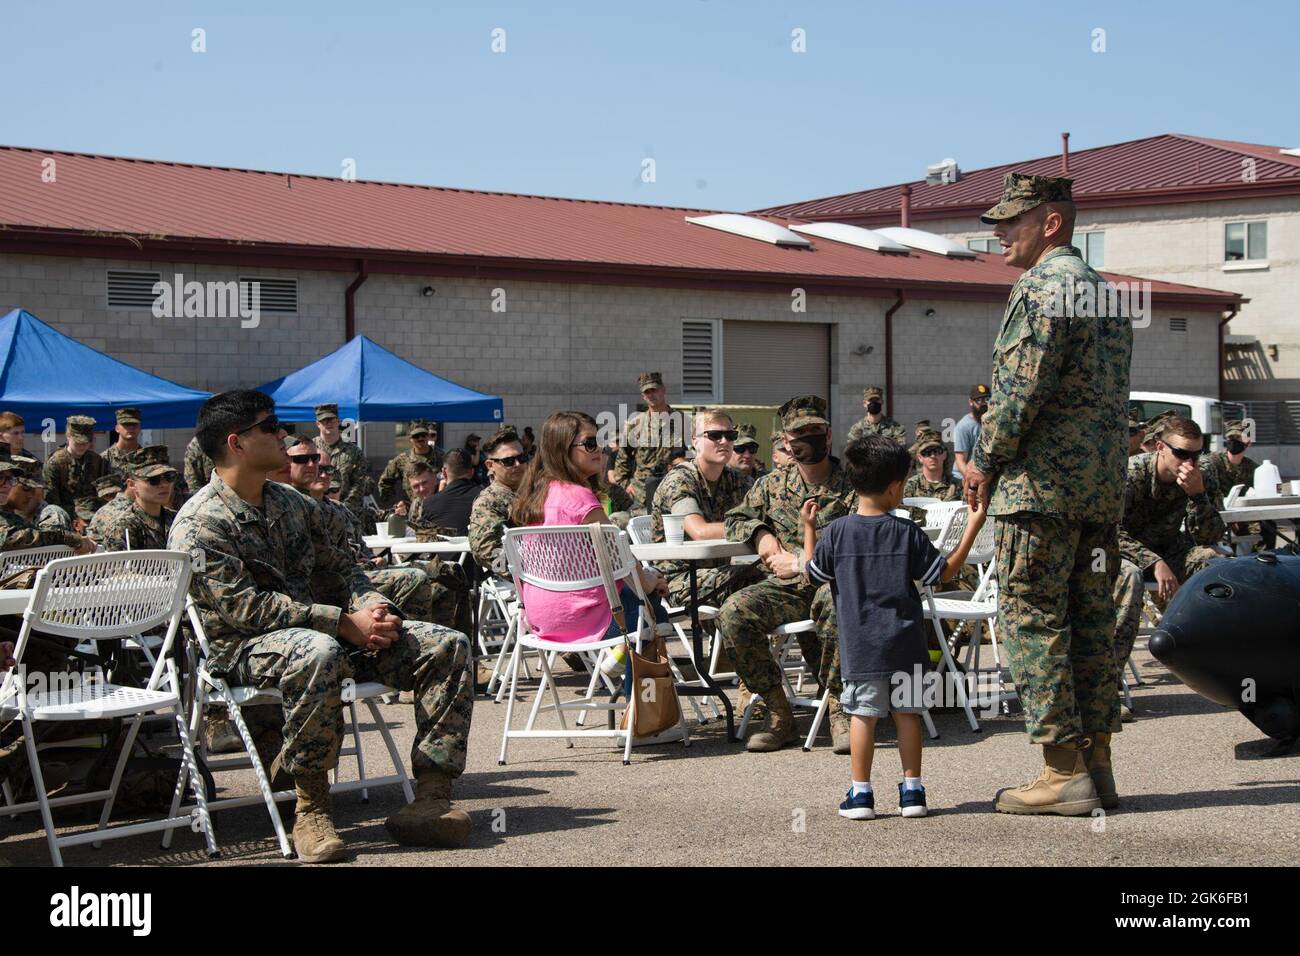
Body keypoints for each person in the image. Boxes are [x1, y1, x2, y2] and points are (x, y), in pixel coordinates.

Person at [169, 390, 474, 861]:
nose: (282, 436)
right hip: (245, 650)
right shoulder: (199, 523)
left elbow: (343, 566)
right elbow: (245, 609)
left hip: (325, 634)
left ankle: (432, 798)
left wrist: (369, 604)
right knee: (316, 651)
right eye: (270, 428)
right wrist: (341, 623)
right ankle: (311, 809)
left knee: (446, 645)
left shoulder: (291, 504)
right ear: (237, 443)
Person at [963, 171, 1131, 816]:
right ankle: (1098, 765)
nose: (1000, 232)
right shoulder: (1104, 291)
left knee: (1033, 620)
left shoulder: (1042, 287)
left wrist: (984, 459)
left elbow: (1021, 388)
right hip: (1096, 489)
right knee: (1091, 623)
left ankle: (1062, 772)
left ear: (1051, 222)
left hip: (1039, 490)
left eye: (1012, 220)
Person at [807, 435, 986, 820]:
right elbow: (945, 573)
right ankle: (913, 792)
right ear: (894, 487)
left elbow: (813, 573)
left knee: (862, 716)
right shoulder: (908, 533)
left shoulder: (836, 533)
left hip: (861, 648)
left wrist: (809, 530)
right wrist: (973, 524)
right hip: (907, 643)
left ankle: (860, 795)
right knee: (909, 715)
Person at [720, 395, 857, 753]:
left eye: (816, 431)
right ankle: (779, 712)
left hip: (835, 584)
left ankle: (840, 709)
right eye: (800, 434)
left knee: (836, 600)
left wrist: (799, 560)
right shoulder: (772, 485)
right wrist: (763, 538)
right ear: (785, 442)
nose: (809, 439)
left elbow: (871, 531)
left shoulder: (854, 482)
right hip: (789, 591)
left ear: (828, 436)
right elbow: (736, 519)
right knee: (734, 612)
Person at [510, 411, 669, 645]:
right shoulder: (580, 499)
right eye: (590, 443)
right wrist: (650, 581)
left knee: (638, 596)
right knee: (653, 606)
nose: (600, 450)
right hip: (588, 623)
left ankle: (619, 662)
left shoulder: (535, 496)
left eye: (599, 442)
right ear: (563, 449)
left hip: (541, 619)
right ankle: (632, 670)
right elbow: (621, 558)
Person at [285, 437, 434, 623]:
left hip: (355, 575)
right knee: (416, 578)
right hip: (322, 590)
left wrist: (372, 559)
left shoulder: (338, 510)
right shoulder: (289, 506)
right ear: (286, 464)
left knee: (446, 575)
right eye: (302, 460)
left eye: (326, 468)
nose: (320, 472)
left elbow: (354, 554)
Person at [650, 410, 762, 610]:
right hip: (677, 581)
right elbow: (700, 531)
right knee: (756, 583)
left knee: (783, 576)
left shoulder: (737, 480)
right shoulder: (680, 480)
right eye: (714, 435)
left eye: (730, 436)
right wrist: (755, 528)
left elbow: (766, 513)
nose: (724, 441)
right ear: (695, 441)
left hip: (719, 572)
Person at [614, 372, 688, 515]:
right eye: (647, 392)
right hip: (642, 496)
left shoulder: (683, 421)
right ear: (643, 396)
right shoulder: (635, 424)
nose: (651, 395)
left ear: (663, 389)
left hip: (674, 490)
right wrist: (626, 484)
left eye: (654, 390)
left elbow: (693, 454)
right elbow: (622, 459)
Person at [1201, 418, 1273, 548]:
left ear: (1248, 443)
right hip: (1216, 515)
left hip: (1241, 516)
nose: (1235, 442)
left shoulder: (1252, 468)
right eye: (1231, 438)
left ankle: (1264, 561)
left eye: (1239, 438)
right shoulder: (1211, 462)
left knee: (1268, 526)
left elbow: (1262, 494)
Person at [92, 446, 177, 552]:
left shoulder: (177, 519)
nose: (164, 485)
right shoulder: (124, 527)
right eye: (154, 480)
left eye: (169, 477)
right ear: (132, 485)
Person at [468, 426, 526, 575]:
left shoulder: (536, 490)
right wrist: (521, 573)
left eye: (521, 458)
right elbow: (484, 549)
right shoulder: (489, 501)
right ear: (490, 465)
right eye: (508, 461)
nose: (518, 464)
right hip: (528, 578)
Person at [42, 415, 109, 530]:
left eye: (86, 442)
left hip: (93, 519)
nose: (82, 446)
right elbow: (51, 500)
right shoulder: (55, 463)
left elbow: (103, 494)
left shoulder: (97, 461)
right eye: (78, 442)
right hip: (65, 520)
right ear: (68, 436)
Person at [313, 404, 370, 518]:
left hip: (348, 513)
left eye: (332, 419)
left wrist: (344, 509)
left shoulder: (354, 452)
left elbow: (359, 484)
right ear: (318, 424)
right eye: (324, 420)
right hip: (315, 511)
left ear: (338, 421)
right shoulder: (309, 449)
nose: (329, 423)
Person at [377, 420, 444, 507]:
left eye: (423, 435)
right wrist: (396, 503)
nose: (420, 439)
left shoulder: (442, 457)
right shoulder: (401, 460)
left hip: (438, 507)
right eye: (416, 436)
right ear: (410, 439)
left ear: (428, 436)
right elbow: (384, 482)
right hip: (410, 510)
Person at [416, 450, 482, 536]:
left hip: (443, 549)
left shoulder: (429, 504)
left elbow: (423, 538)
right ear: (471, 472)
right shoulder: (486, 497)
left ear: (444, 472)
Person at [902, 429, 961, 507]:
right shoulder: (911, 485)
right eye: (927, 452)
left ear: (944, 455)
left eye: (937, 451)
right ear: (920, 457)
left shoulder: (958, 486)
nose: (933, 456)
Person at [951, 384, 990, 480]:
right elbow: (960, 460)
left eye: (987, 399)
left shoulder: (993, 423)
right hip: (963, 480)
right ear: (971, 402)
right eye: (979, 400)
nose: (983, 403)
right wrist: (972, 480)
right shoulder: (964, 426)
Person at [103, 407, 143, 475]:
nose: (131, 427)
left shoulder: (147, 457)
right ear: (117, 428)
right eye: (126, 424)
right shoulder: (105, 458)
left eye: (134, 424)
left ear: (139, 428)